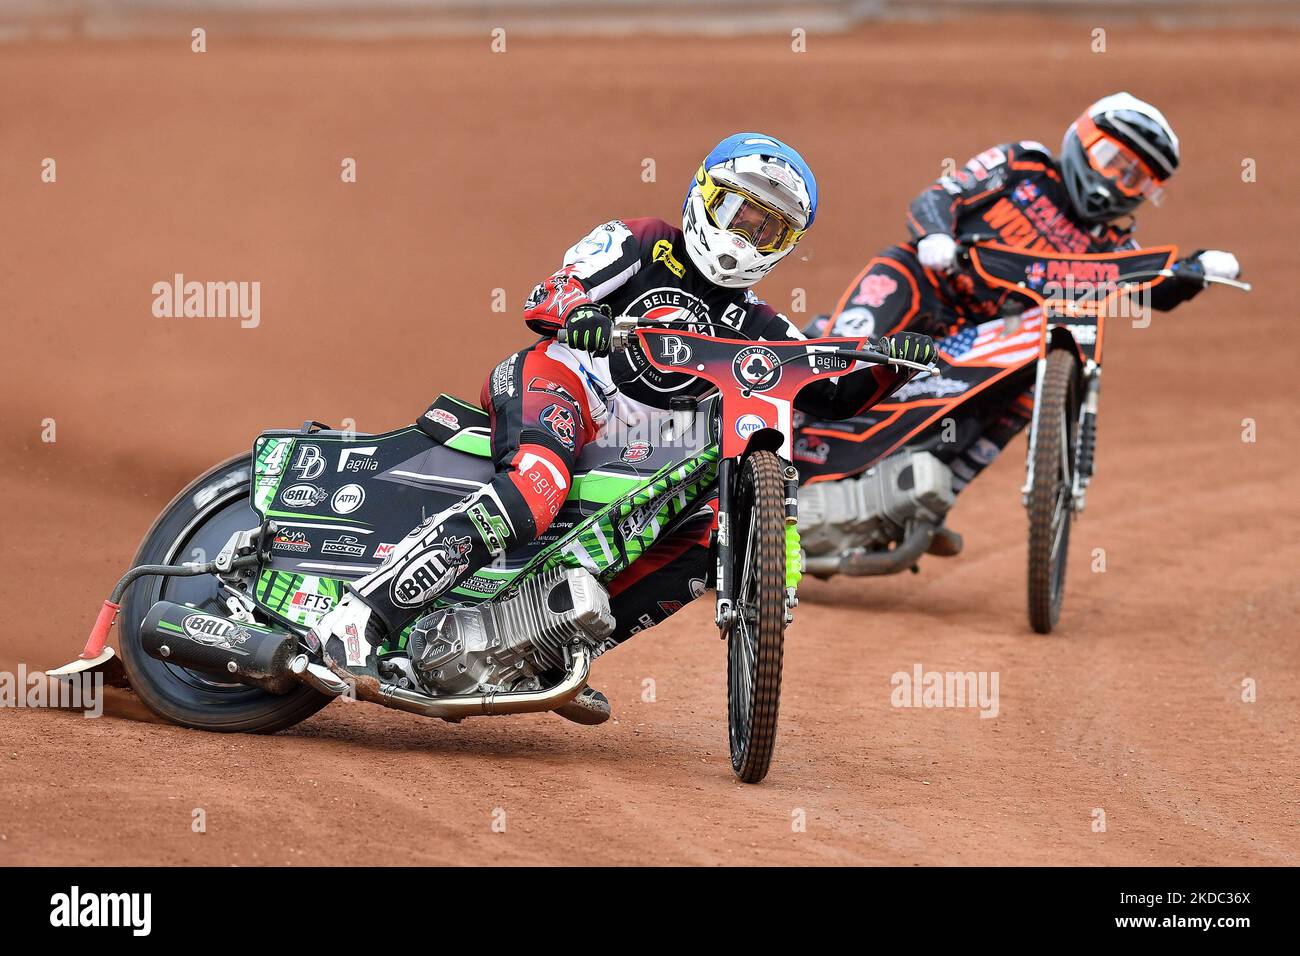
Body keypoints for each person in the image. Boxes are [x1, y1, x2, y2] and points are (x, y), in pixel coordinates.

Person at [310, 133, 935, 720]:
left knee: (702, 542)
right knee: (539, 484)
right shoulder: (640, 242)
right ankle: (362, 616)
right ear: (705, 197)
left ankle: (545, 650)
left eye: (768, 228)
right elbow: (550, 290)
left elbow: (828, 392)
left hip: (639, 446)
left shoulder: (759, 322)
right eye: (740, 212)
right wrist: (577, 312)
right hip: (564, 381)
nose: (747, 235)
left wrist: (895, 364)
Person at [821, 91, 1241, 496]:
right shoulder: (1025, 164)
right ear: (1082, 141)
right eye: (1112, 161)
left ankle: (935, 494)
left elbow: (1154, 287)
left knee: (1031, 380)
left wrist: (1197, 270)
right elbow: (941, 195)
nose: (1115, 183)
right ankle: (798, 399)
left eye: (1135, 178)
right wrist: (935, 235)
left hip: (984, 336)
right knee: (857, 333)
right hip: (925, 284)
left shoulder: (1111, 242)